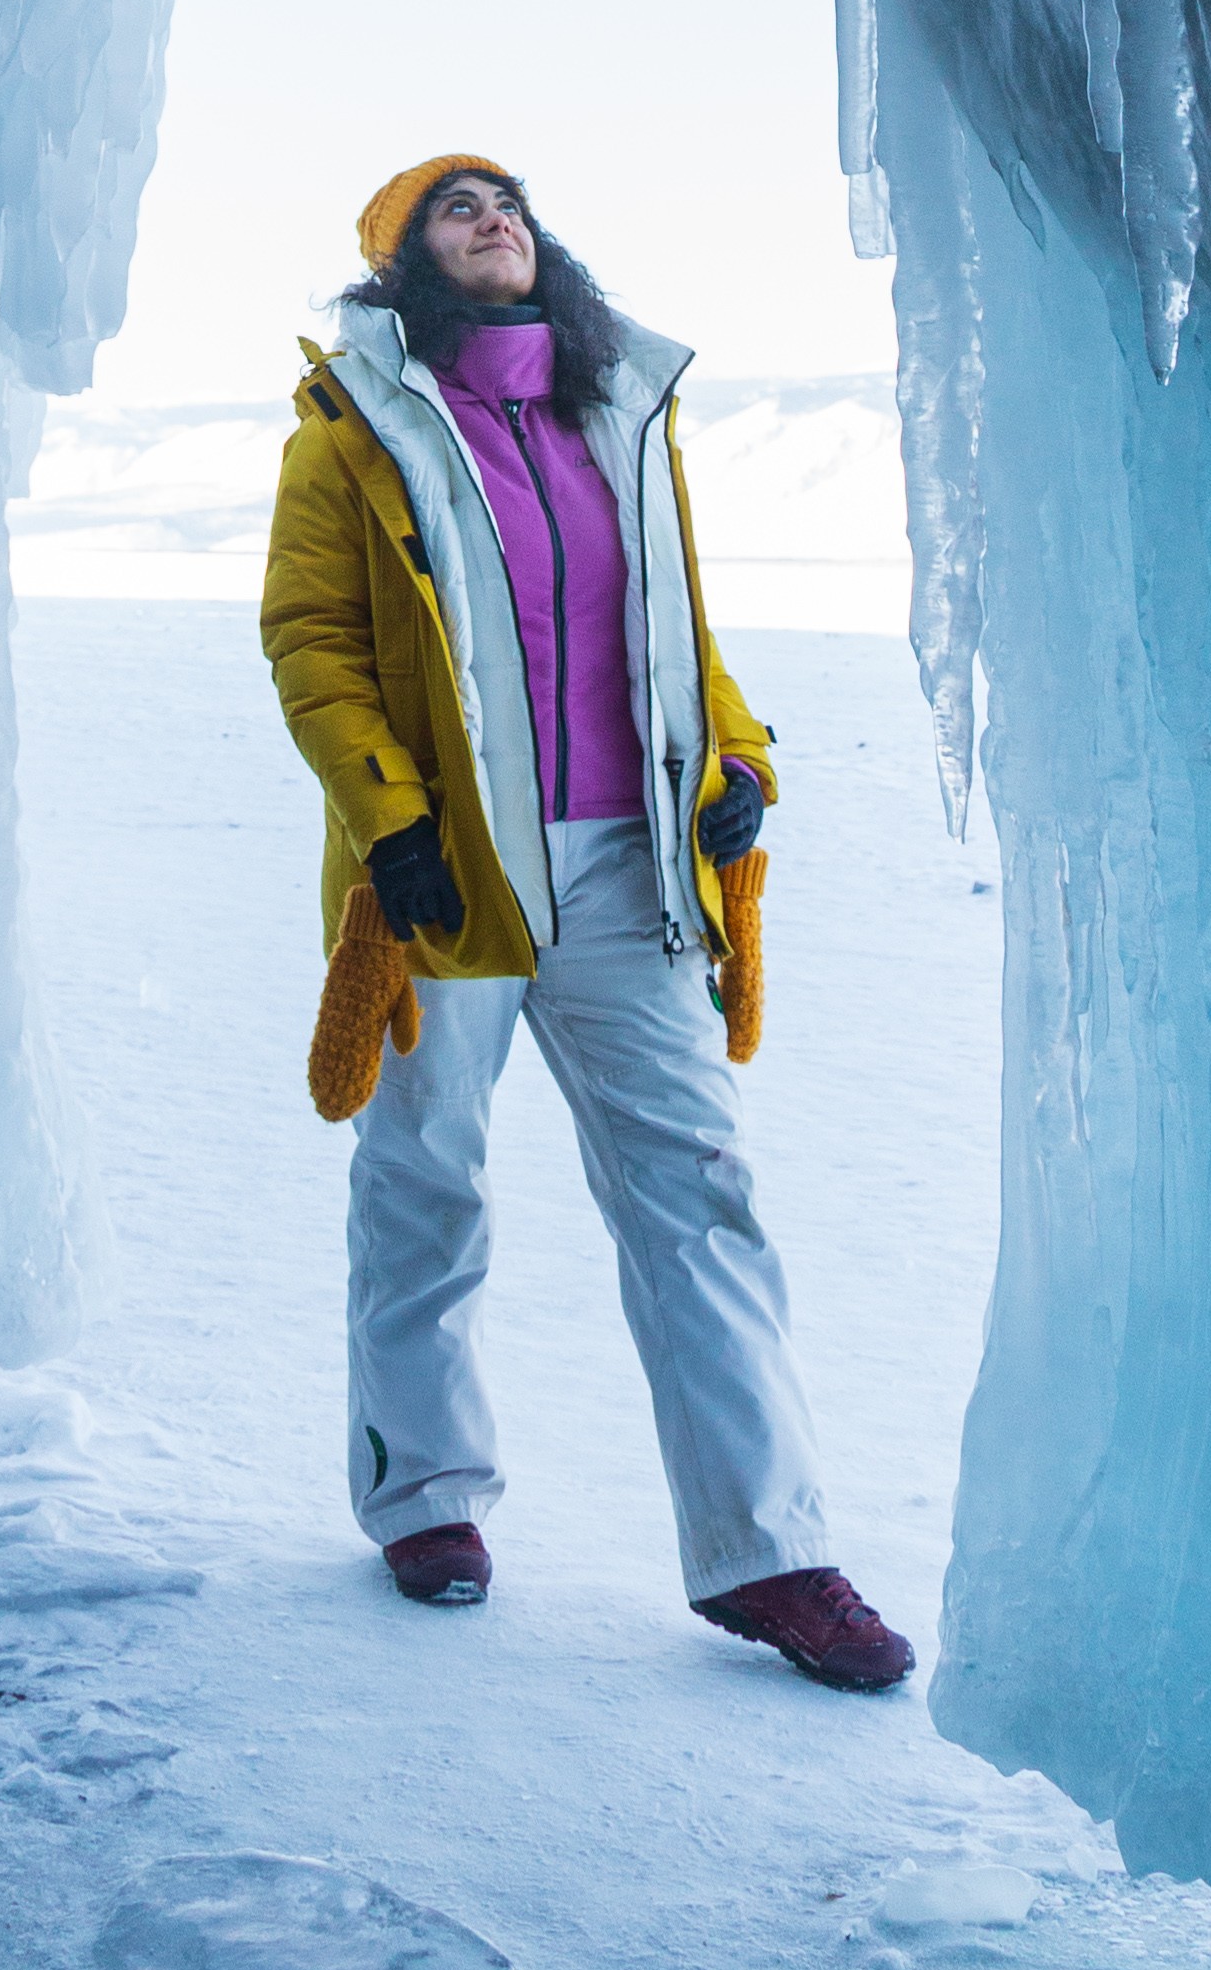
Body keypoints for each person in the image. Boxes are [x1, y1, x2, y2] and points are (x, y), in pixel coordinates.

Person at [258, 150, 913, 1690]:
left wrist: (738, 754)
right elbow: (314, 641)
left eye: (512, 205)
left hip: (628, 868)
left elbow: (672, 620)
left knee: (701, 1193)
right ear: (403, 262)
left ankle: (774, 1555)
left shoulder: (617, 407)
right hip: (451, 871)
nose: (499, 222)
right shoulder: (354, 431)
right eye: (457, 210)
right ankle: (425, 1497)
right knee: (427, 1175)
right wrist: (390, 822)